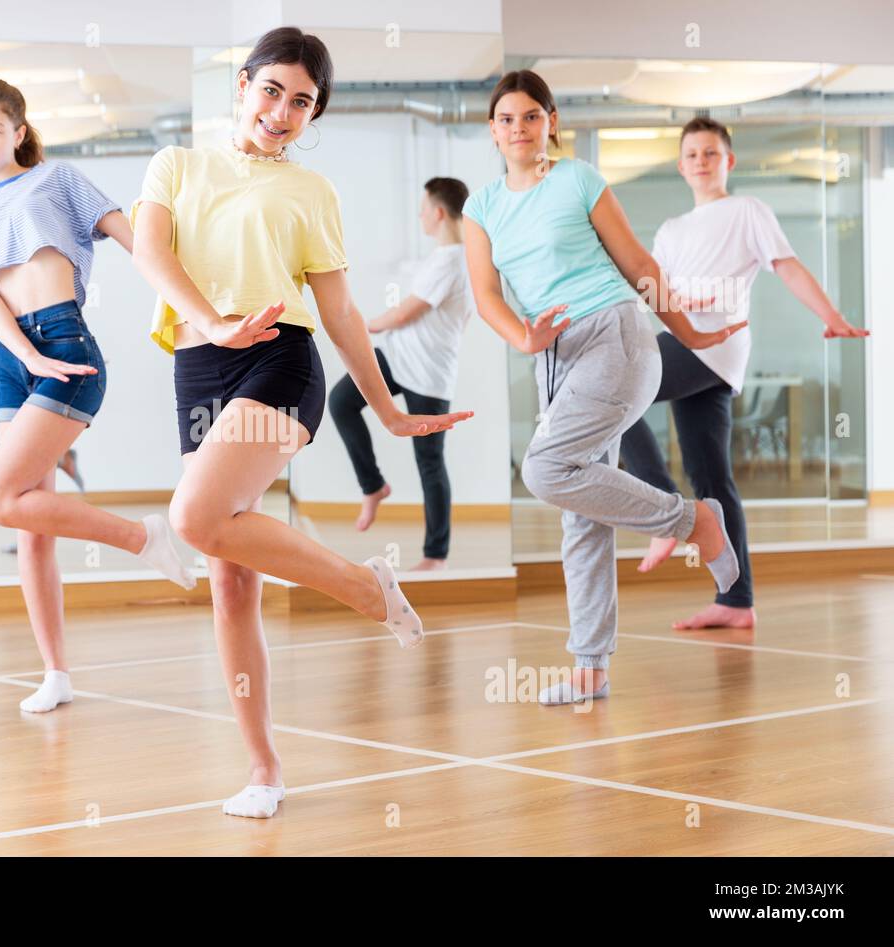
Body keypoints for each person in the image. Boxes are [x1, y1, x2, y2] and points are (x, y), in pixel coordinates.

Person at [131, 27, 470, 817]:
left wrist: (385, 406)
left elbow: (341, 308)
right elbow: (151, 254)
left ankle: (360, 585)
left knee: (194, 516)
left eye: (303, 102)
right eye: (272, 90)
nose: (283, 112)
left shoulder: (312, 193)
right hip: (199, 361)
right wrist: (213, 324)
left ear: (315, 116)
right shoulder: (177, 165)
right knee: (228, 577)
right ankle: (263, 767)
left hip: (280, 362)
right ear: (243, 86)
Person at [461, 70, 743, 705]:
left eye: (531, 116)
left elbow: (639, 265)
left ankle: (692, 519)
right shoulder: (481, 208)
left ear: (551, 123)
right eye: (506, 119)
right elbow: (485, 295)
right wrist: (523, 338)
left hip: (614, 337)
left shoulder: (578, 179)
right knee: (580, 511)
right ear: (492, 130)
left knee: (546, 468)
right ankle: (590, 667)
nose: (518, 129)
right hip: (553, 357)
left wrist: (691, 339)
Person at [0, 78, 196, 713]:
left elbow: (145, 249)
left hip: (63, 341)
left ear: (19, 133)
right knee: (28, 524)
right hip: (12, 356)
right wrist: (20, 354)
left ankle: (143, 537)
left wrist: (202, 315)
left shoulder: (60, 181)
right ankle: (56, 672)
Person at [619, 117, 869, 630]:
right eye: (691, 154)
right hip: (689, 343)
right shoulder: (671, 230)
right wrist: (674, 301)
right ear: (681, 165)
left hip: (718, 345)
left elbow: (787, 265)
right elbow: (652, 295)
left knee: (612, 395)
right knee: (712, 477)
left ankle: (665, 511)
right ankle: (736, 601)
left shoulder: (747, 211)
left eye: (711, 153)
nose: (701, 162)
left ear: (728, 161)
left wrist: (832, 318)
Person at [329, 176, 475, 570]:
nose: (420, 215)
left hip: (428, 372)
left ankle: (435, 555)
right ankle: (373, 486)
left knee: (429, 459)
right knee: (341, 402)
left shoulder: (454, 258)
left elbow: (410, 310)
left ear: (439, 213)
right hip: (397, 358)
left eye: (424, 208)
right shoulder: (446, 256)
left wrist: (364, 326)